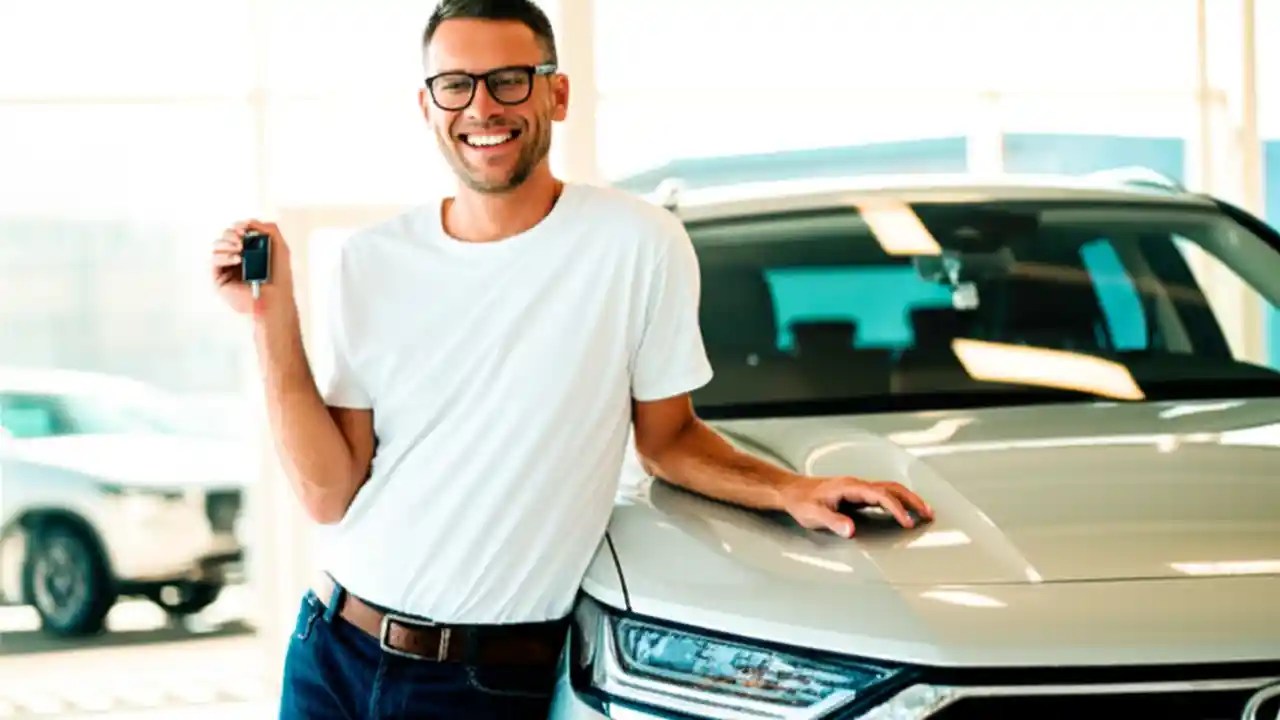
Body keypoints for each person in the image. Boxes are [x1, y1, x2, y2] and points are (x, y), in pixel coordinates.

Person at [209, 0, 934, 717]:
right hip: (331, 650)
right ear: (428, 106)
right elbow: (328, 492)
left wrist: (789, 491)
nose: (482, 108)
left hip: (482, 685)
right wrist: (271, 319)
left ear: (556, 93)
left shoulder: (636, 244)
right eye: (456, 85)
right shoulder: (373, 260)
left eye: (509, 80)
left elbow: (668, 439)